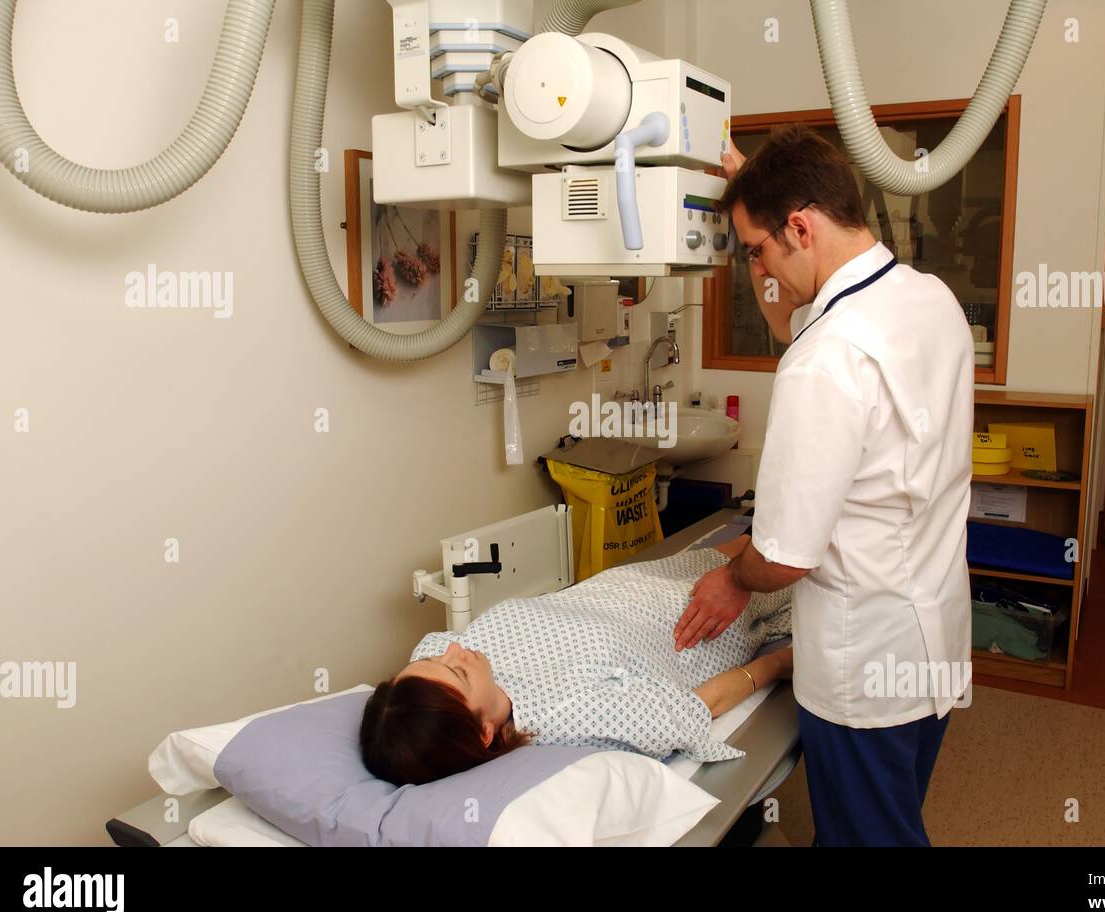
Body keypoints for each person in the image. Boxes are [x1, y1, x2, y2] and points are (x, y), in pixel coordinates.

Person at [674, 124, 974, 846]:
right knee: (877, 819)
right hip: (932, 639)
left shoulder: (825, 358)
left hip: (863, 662)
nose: (758, 269)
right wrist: (759, 203)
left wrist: (733, 581)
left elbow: (783, 558)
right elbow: (798, 319)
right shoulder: (929, 300)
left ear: (800, 226)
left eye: (756, 250)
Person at [360, 535, 794, 787]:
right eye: (456, 670)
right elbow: (693, 710)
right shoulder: (568, 714)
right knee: (802, 561)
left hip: (631, 585)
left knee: (752, 542)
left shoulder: (431, 678)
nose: (454, 648)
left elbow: (418, 690)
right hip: (702, 616)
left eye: (441, 657)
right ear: (485, 730)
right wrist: (779, 665)